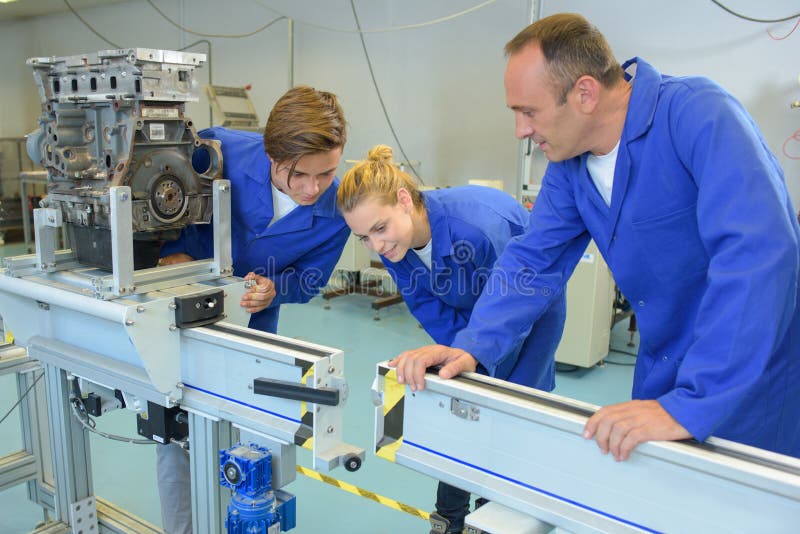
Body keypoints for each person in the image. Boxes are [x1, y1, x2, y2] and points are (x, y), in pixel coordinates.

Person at [390, 12, 800, 463]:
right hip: (662, 380)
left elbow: (759, 257)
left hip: (750, 379)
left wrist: (695, 402)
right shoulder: (572, 167)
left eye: (529, 111)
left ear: (584, 92)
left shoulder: (698, 115)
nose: (520, 131)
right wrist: (470, 348)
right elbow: (533, 260)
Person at [337, 145, 567, 533]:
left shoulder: (478, 229)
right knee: (460, 406)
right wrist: (456, 353)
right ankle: (450, 519)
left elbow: (513, 307)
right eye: (363, 238)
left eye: (379, 228)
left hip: (529, 316)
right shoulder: (397, 245)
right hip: (466, 320)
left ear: (405, 201)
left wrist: (471, 354)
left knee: (509, 419)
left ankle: (494, 514)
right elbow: (427, 305)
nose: (377, 246)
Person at [157, 85, 350, 534]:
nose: (312, 188)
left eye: (326, 173)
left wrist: (275, 289)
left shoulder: (337, 209)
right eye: (298, 174)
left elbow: (311, 280)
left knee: (248, 447)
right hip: (180, 315)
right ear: (270, 155)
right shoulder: (218, 152)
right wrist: (177, 249)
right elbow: (166, 198)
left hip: (251, 329)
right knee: (174, 435)